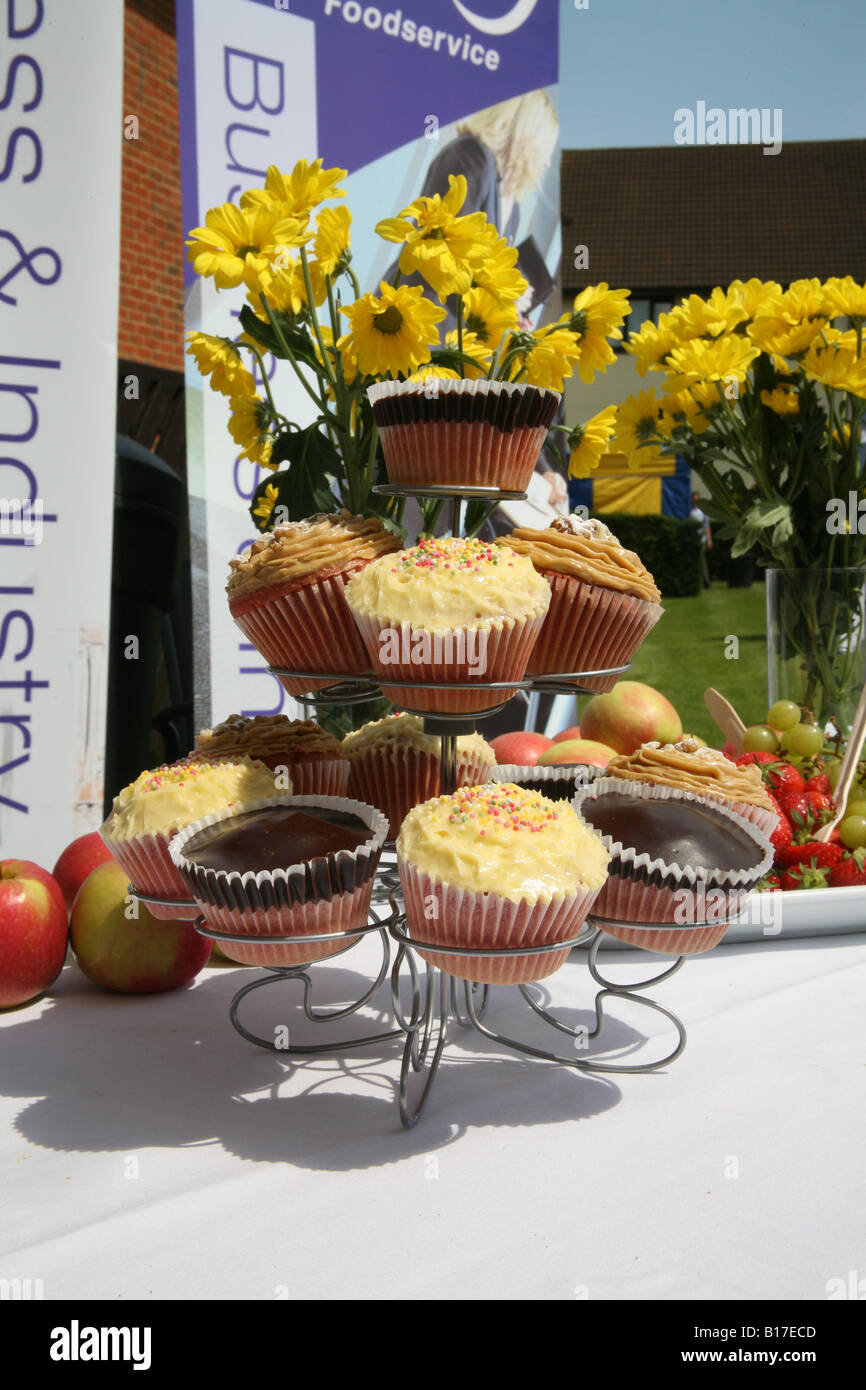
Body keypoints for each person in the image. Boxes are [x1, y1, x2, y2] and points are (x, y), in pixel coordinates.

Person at [690, 490, 713, 587]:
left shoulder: (702, 511)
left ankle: (706, 582)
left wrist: (709, 540)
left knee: (702, 561)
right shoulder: (688, 510)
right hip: (691, 539)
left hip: (701, 539)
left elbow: (706, 526)